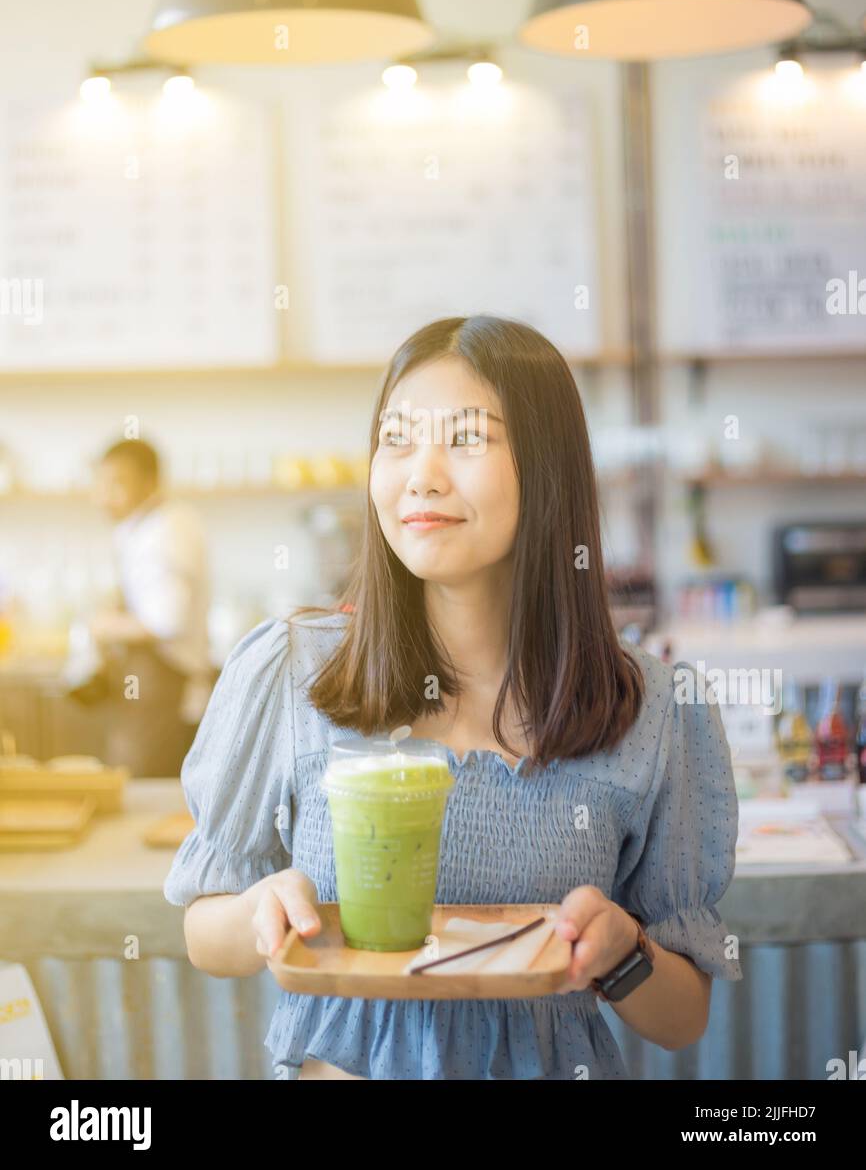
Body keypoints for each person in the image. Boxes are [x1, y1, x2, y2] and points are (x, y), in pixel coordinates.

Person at [164, 316, 743, 1080]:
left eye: (468, 439)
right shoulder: (290, 672)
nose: (421, 475)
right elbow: (206, 932)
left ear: (547, 469)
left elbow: (682, 1019)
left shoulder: (654, 709)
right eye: (396, 437)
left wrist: (623, 951)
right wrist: (259, 912)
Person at [85, 437, 213, 777]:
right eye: (101, 483)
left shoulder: (167, 529)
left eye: (118, 484)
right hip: (146, 685)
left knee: (144, 786)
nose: (104, 496)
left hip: (162, 684)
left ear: (151, 481)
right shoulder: (140, 528)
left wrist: (102, 626)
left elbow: (167, 621)